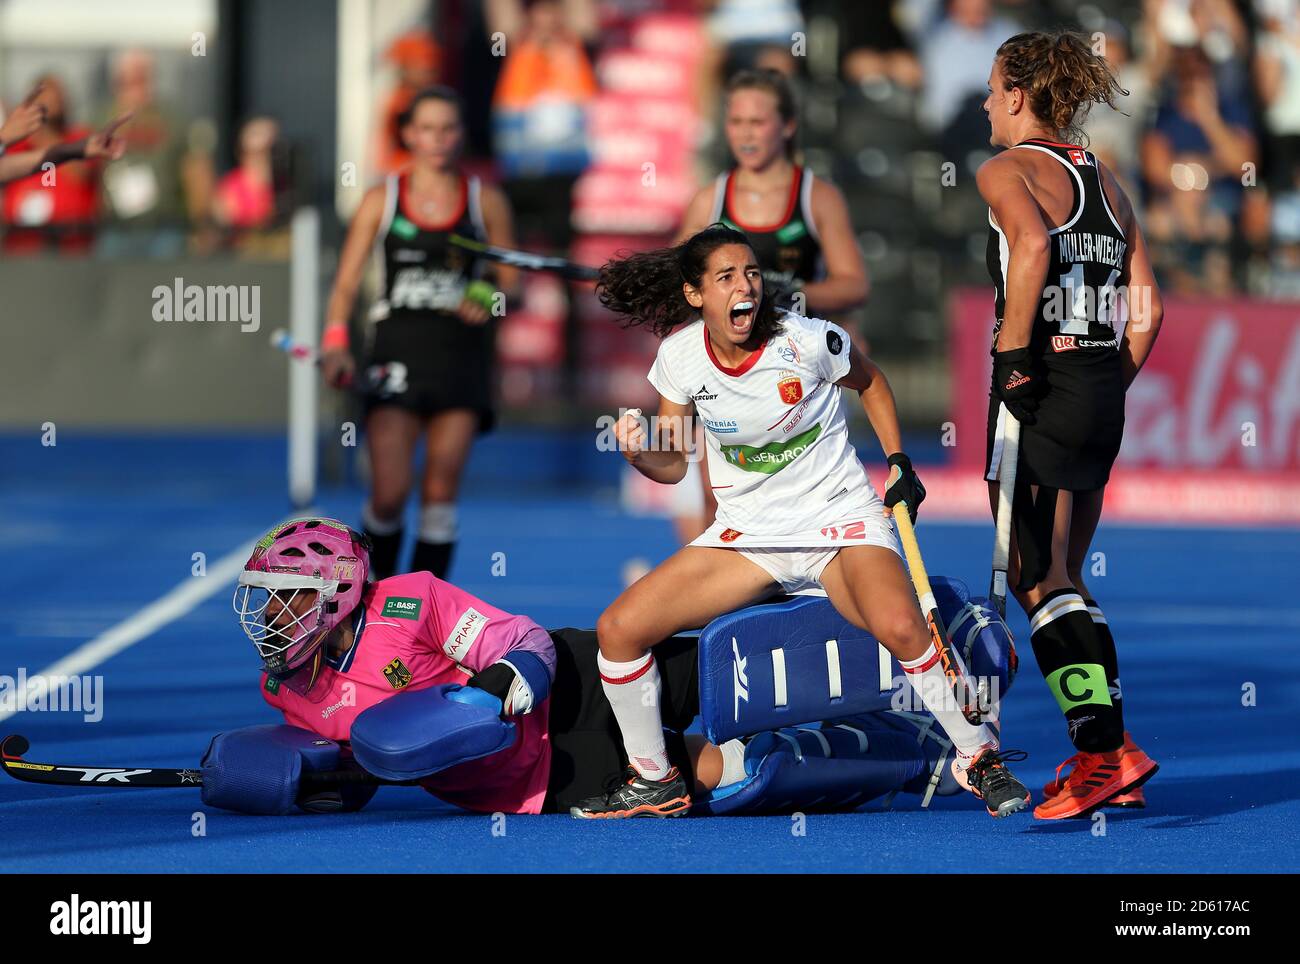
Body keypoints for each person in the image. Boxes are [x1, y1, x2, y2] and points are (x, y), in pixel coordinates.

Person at [573, 223, 1031, 819]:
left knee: (898, 624)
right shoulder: (679, 358)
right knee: (619, 629)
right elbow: (671, 463)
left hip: (838, 523)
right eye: (727, 277)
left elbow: (872, 382)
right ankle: (656, 778)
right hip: (749, 536)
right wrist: (638, 452)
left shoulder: (808, 340)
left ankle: (977, 757)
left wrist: (897, 461)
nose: (747, 288)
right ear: (695, 296)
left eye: (752, 274)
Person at [210, 516, 978, 818]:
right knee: (728, 773)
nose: (270, 619)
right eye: (268, 604)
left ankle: (916, 635)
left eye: (285, 601)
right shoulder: (287, 692)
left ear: (338, 593)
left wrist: (493, 691)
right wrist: (318, 782)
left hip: (574, 677)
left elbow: (520, 640)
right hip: (537, 780)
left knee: (734, 661)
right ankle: (910, 761)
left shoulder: (407, 602)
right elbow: (360, 756)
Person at [977, 31, 1164, 820]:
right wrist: (1104, 385)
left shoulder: (1005, 170)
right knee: (1067, 580)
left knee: (1034, 576)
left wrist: (1016, 360)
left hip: (1041, 391)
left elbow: (1028, 243)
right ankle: (1113, 751)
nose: (986, 104)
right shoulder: (1109, 183)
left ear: (1018, 96)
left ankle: (1100, 754)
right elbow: (1148, 311)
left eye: (992, 90)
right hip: (1097, 392)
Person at [320, 87, 519, 581]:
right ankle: (371, 601)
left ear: (461, 134)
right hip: (396, 353)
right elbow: (345, 284)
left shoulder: (485, 200)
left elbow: (511, 283)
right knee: (388, 494)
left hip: (459, 359)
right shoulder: (381, 199)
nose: (438, 140)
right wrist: (336, 343)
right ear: (408, 134)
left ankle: (420, 616)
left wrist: (487, 293)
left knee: (439, 494)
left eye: (448, 128)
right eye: (426, 129)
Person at [671, 67, 869, 542]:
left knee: (797, 502)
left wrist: (791, 293)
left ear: (786, 126)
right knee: (718, 504)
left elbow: (855, 285)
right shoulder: (708, 201)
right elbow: (679, 285)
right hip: (727, 369)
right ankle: (723, 610)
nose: (746, 134)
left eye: (758, 122)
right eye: (736, 122)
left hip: (791, 372)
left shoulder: (816, 197)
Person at [0, 81, 128, 186]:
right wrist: (4, 137)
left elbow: (7, 168)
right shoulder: (15, 145)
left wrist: (77, 149)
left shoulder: (78, 134)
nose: (50, 103)